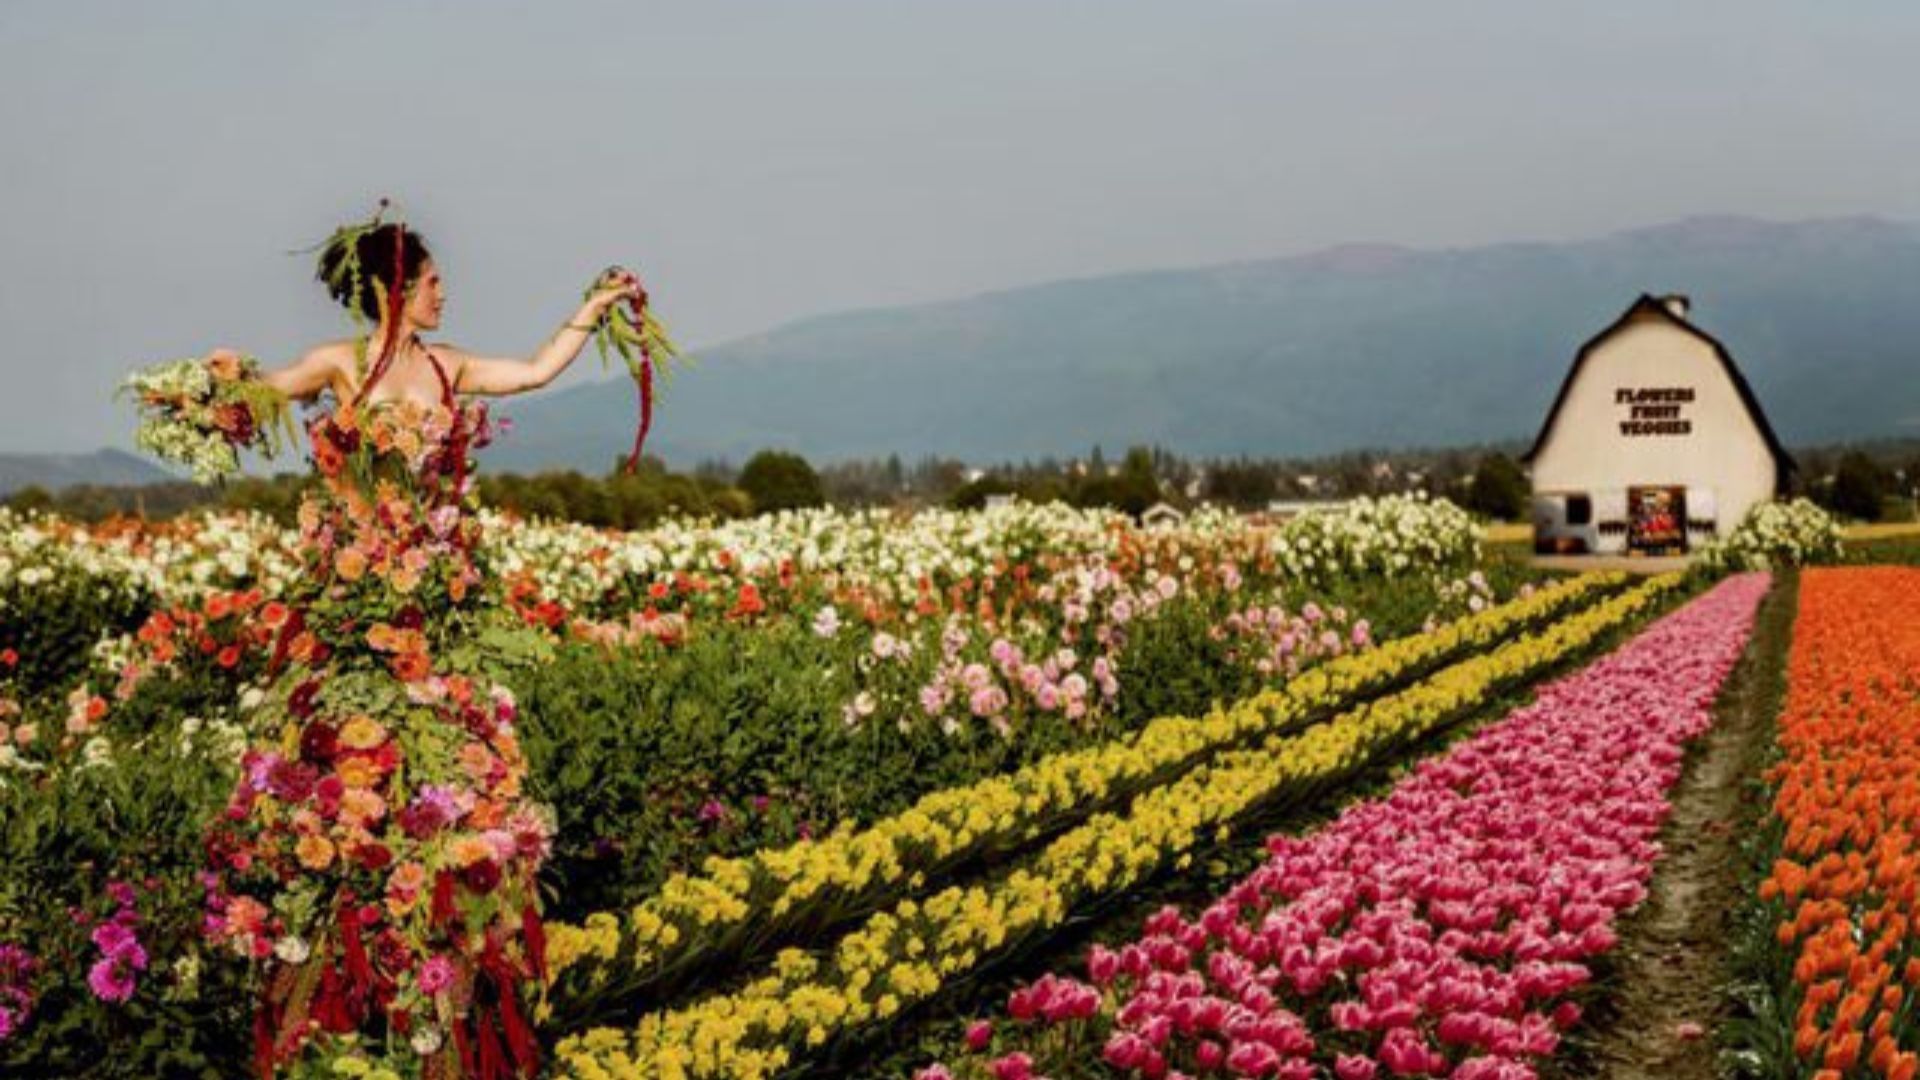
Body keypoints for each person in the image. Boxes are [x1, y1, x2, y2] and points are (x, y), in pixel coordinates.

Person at [200, 215, 637, 1079]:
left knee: (454, 803)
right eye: (434, 281)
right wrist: (213, 385)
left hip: (440, 625)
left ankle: (447, 1013)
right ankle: (338, 1017)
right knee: (347, 800)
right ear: (399, 288)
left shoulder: (452, 367)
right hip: (353, 626)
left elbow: (539, 369)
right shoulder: (340, 363)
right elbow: (267, 395)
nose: (445, 293)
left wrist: (596, 307)